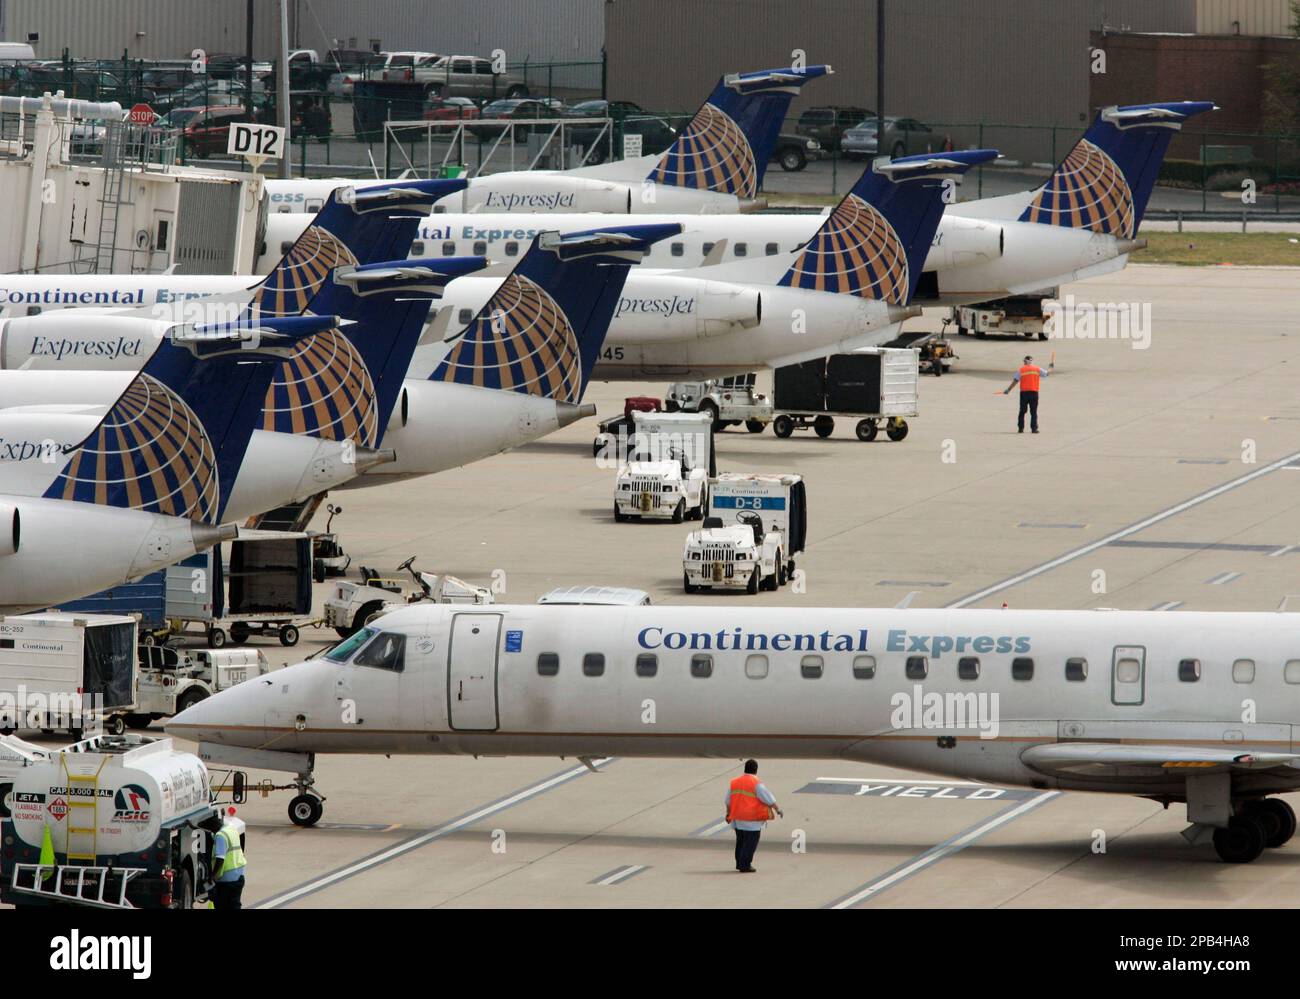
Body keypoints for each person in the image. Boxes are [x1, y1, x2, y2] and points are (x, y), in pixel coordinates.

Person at [724, 759, 782, 873]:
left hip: (737, 819)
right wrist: (778, 809)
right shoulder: (756, 783)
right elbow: (769, 799)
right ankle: (745, 865)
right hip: (751, 820)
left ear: (744, 768)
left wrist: (728, 813)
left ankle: (739, 863)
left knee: (740, 842)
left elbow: (727, 801)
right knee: (750, 843)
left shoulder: (734, 782)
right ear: (756, 770)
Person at [206, 808, 247, 909]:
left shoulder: (220, 836)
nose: (212, 832)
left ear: (214, 826)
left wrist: (212, 876)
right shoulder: (231, 829)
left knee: (222, 906)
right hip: (239, 876)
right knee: (235, 904)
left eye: (211, 829)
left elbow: (220, 859)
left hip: (227, 881)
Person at [1002, 354, 1054, 433]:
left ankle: (1020, 428)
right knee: (1033, 411)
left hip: (1024, 393)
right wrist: (1051, 367)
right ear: (1031, 361)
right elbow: (1047, 373)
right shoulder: (1037, 369)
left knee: (1022, 411)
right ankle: (1034, 429)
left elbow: (1015, 381)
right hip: (1034, 393)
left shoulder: (1021, 370)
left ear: (1025, 361)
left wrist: (1008, 390)